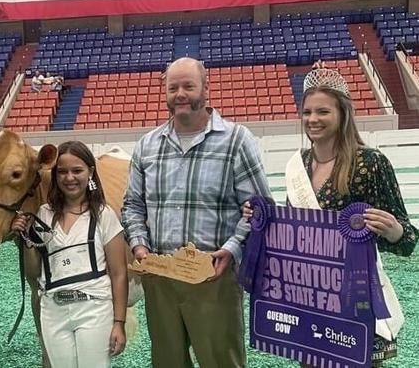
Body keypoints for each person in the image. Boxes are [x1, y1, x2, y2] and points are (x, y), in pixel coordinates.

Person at [243, 64, 417, 366]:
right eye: (307, 112)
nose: (313, 119)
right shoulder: (299, 164)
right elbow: (294, 234)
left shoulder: (370, 163)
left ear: (343, 114)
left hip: (355, 300)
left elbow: (408, 240)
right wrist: (261, 218)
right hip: (310, 297)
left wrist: (394, 232)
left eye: (323, 111)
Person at [121, 57, 272, 368]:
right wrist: (139, 245)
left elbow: (259, 208)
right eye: (173, 87)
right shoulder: (147, 145)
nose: (180, 94)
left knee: (221, 362)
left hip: (213, 277)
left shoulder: (236, 140)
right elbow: (132, 205)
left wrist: (232, 249)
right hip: (160, 278)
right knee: (168, 362)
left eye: (188, 86)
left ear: (206, 88)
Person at [11, 141, 128, 368]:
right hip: (53, 310)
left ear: (90, 172)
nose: (69, 178)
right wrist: (25, 238)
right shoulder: (42, 215)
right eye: (62, 172)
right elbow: (34, 272)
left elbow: (119, 272)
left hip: (94, 308)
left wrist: (119, 322)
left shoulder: (103, 215)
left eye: (77, 171)